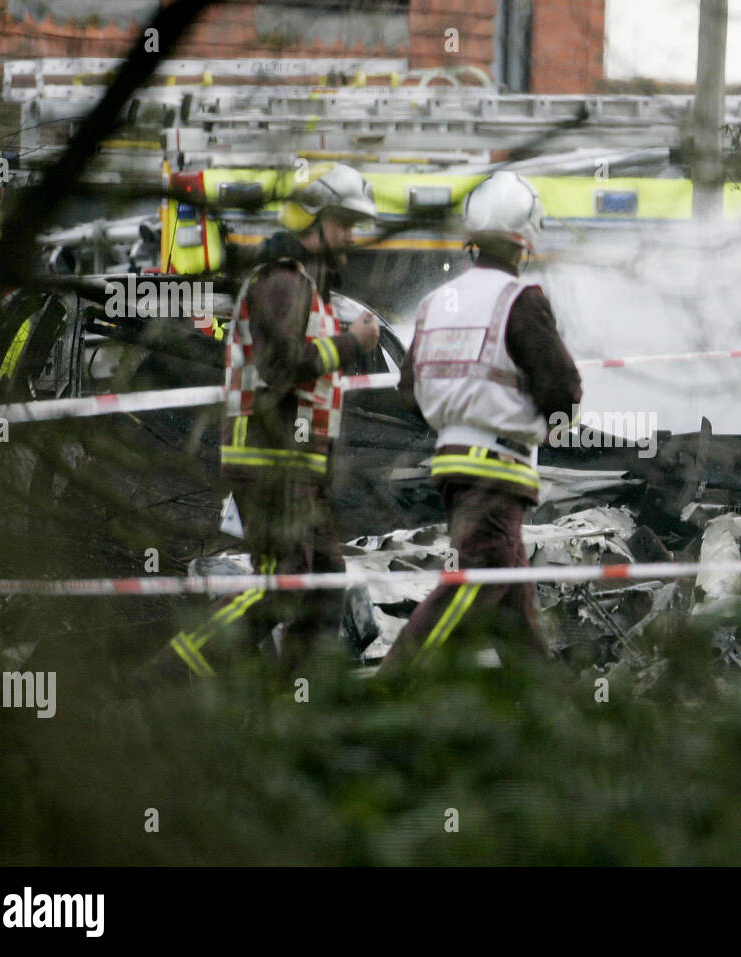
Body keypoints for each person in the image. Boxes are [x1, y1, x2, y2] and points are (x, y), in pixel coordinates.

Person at [153, 164, 380, 679]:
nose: (351, 235)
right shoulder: (282, 280)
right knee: (282, 589)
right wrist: (353, 344)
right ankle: (166, 677)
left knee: (322, 583)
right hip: (271, 460)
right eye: (344, 222)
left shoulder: (303, 284)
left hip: (296, 464)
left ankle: (297, 709)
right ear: (314, 222)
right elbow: (279, 368)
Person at [379, 171, 581, 672]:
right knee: (478, 582)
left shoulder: (433, 303)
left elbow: (408, 393)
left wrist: (455, 418)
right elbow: (563, 388)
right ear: (525, 240)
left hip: (451, 464)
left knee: (513, 603)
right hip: (499, 469)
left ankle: (545, 718)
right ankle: (390, 690)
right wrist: (555, 424)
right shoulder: (522, 300)